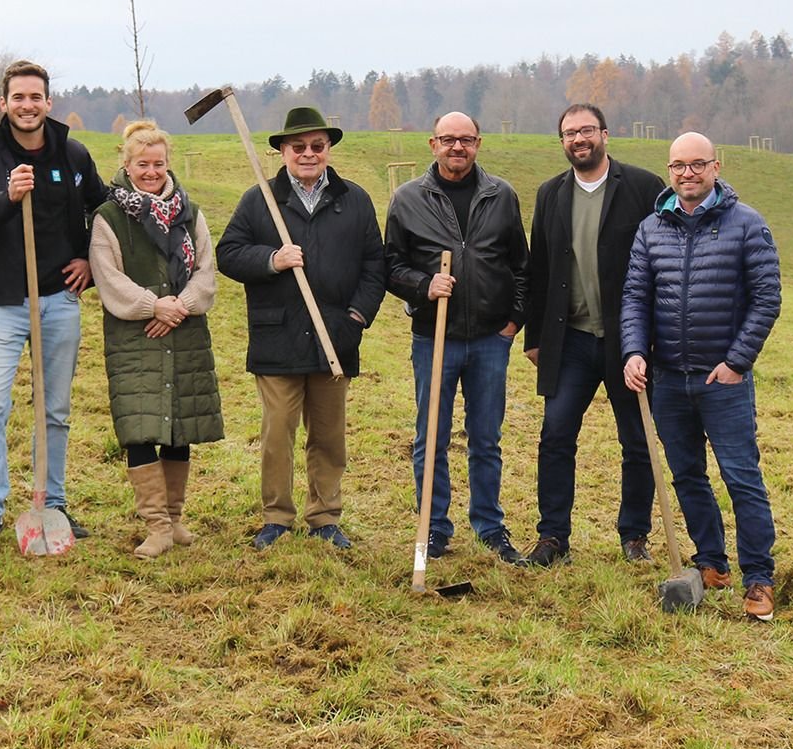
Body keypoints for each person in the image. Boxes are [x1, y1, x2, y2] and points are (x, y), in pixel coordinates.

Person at [621, 132, 783, 621]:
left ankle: (758, 577)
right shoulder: (651, 228)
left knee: (741, 478)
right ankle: (711, 561)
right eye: (677, 166)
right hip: (668, 380)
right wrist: (633, 351)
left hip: (724, 382)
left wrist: (737, 362)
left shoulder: (747, 225)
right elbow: (635, 297)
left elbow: (767, 299)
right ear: (669, 170)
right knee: (688, 475)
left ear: (716, 165)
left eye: (696, 164)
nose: (686, 173)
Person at [216, 106, 386, 551]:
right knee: (277, 433)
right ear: (283, 151)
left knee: (329, 435)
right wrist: (272, 260)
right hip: (279, 337)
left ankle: (325, 516)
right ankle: (276, 517)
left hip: (336, 335)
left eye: (317, 146)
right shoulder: (260, 200)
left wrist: (356, 319)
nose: (308, 154)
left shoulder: (355, 200)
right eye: (299, 147)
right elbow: (228, 254)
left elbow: (375, 267)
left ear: (328, 150)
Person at [0, 61, 107, 546]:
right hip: (2, 302)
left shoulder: (73, 154)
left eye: (35, 97)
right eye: (18, 97)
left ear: (48, 102)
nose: (27, 105)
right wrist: (8, 196)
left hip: (59, 299)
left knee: (54, 407)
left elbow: (100, 210)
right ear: (4, 104)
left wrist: (87, 260)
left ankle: (52, 500)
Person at [520, 104, 666, 566]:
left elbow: (663, 263)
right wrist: (534, 337)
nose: (578, 139)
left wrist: (653, 338)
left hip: (629, 342)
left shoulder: (643, 188)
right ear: (561, 141)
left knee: (637, 438)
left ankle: (634, 535)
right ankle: (553, 538)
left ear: (605, 134)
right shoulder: (550, 194)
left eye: (586, 131)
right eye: (568, 133)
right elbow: (539, 266)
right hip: (571, 341)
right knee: (555, 435)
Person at [384, 111, 528, 564]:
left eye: (466, 140)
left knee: (486, 437)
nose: (457, 148)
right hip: (434, 337)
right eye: (448, 140)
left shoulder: (500, 195)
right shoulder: (408, 198)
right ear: (432, 144)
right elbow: (389, 266)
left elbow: (521, 266)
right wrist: (423, 285)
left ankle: (490, 526)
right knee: (432, 437)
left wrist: (513, 323)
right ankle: (434, 528)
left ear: (479, 143)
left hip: (489, 339)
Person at [89, 120, 224, 558]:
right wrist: (153, 305)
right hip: (136, 336)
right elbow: (107, 276)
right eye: (143, 164)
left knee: (179, 427)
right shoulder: (109, 218)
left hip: (184, 331)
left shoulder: (191, 213)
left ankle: (176, 519)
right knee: (141, 428)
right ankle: (156, 525)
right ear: (127, 165)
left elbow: (206, 268)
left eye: (158, 164)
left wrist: (180, 305)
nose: (152, 171)